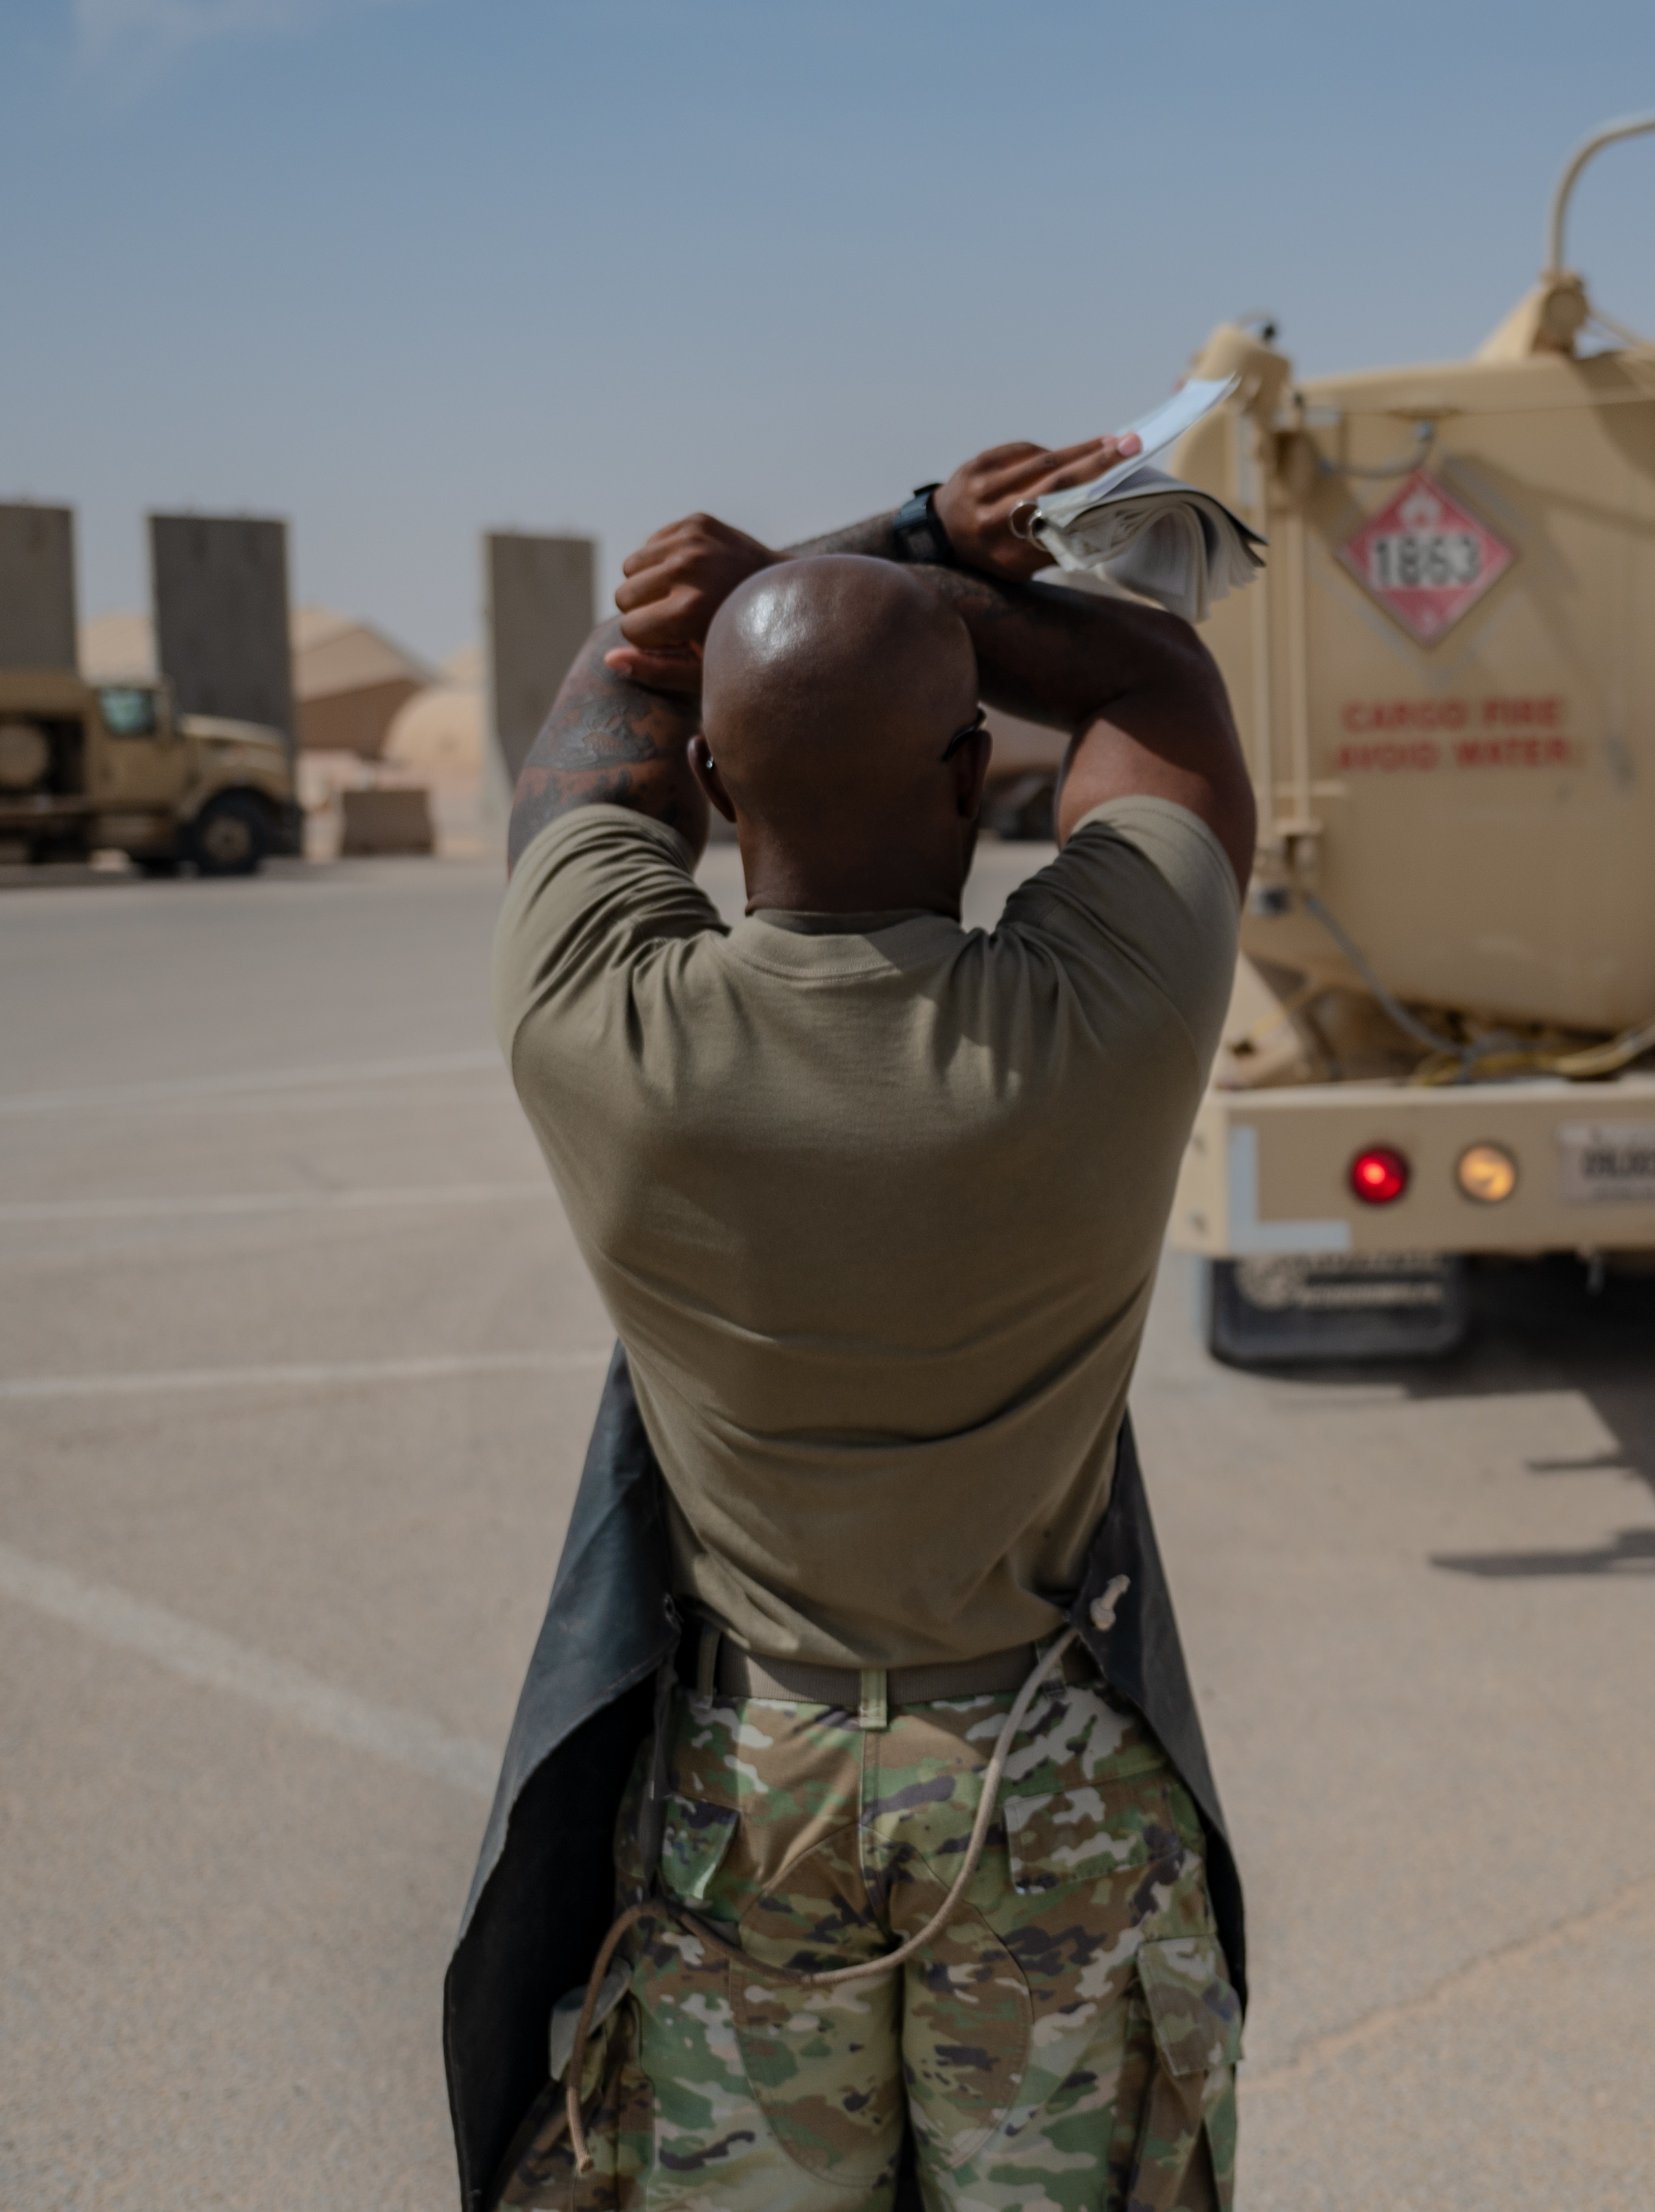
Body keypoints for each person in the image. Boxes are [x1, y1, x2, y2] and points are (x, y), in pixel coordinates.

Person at [455, 435, 1257, 2212]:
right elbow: (1157, 678)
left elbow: (614, 688)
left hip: (751, 1792)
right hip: (1043, 1790)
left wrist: (849, 558)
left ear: (719, 789)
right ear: (976, 779)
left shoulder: (597, 1022)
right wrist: (940, 573)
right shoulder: (1100, 1021)